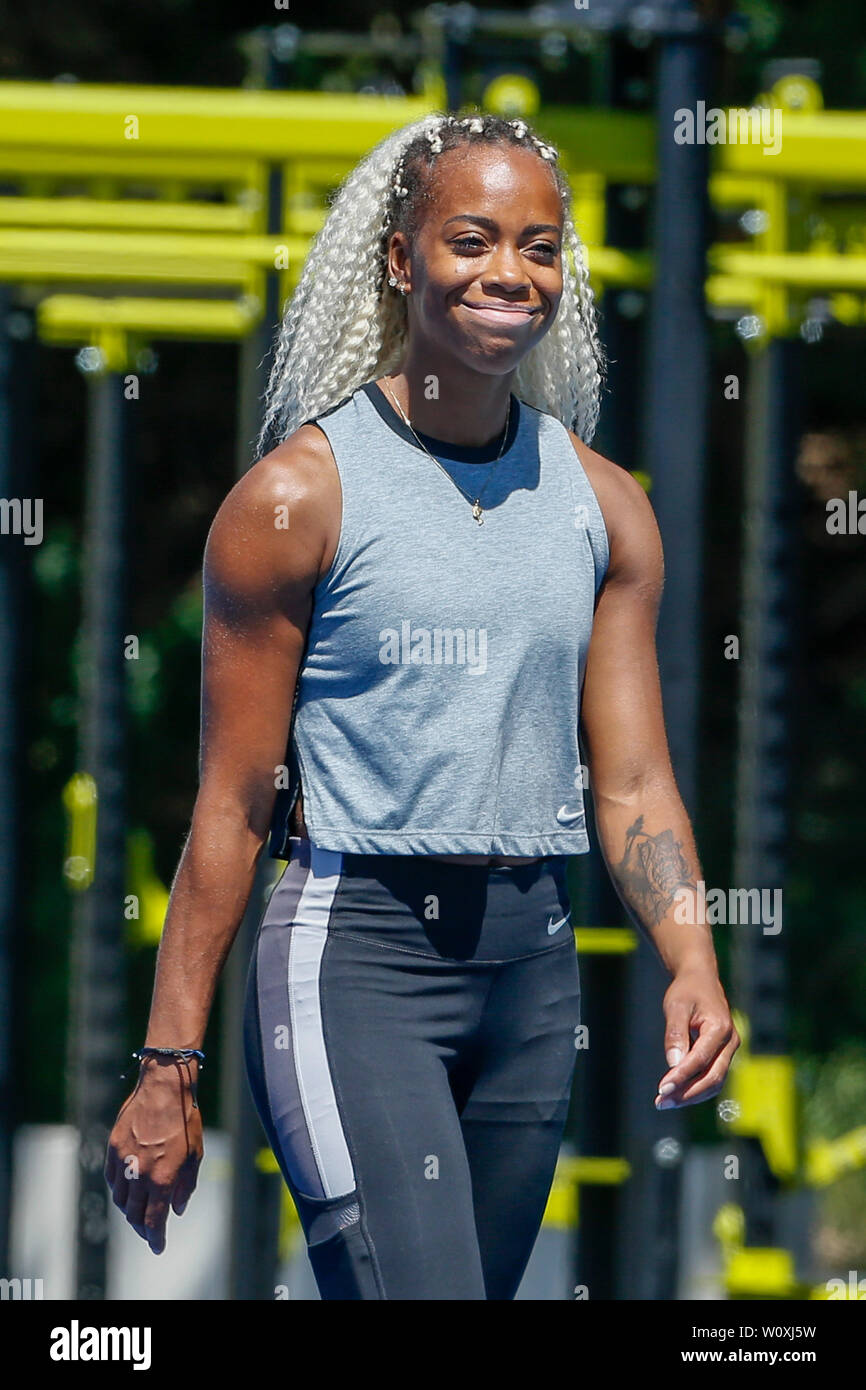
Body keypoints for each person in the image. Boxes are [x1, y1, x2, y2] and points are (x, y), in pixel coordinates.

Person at [104, 110, 739, 1300]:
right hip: (356, 962)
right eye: (471, 240)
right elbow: (235, 804)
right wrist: (166, 1064)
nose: (510, 273)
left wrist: (688, 959)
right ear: (400, 261)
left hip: (532, 972)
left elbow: (635, 779)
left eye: (539, 247)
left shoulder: (604, 507)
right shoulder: (295, 498)